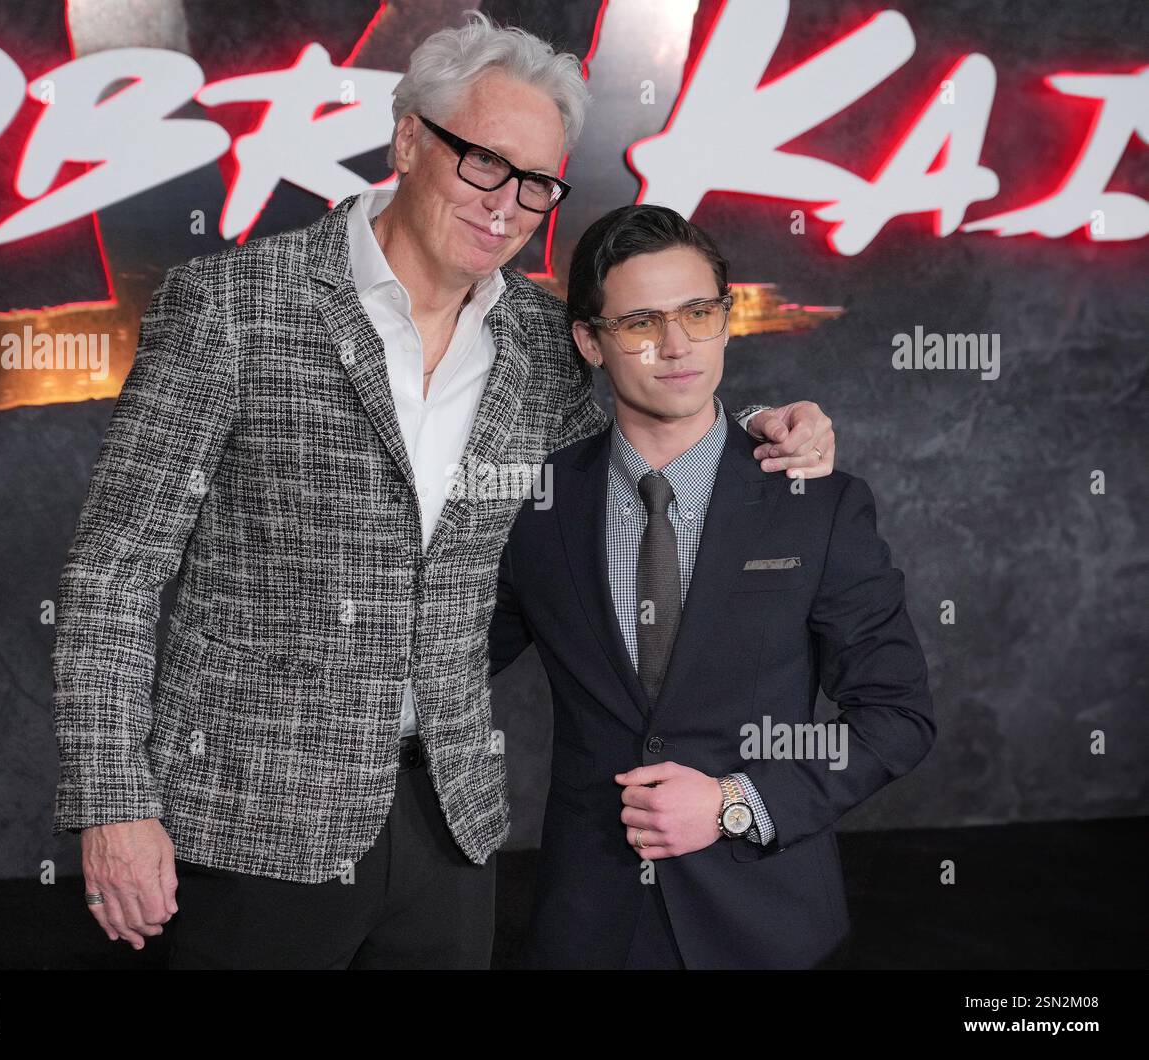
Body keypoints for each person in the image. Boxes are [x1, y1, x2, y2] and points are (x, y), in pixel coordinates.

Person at [51, 13, 837, 970]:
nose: (508, 204)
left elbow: (646, 440)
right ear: (410, 137)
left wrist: (765, 426)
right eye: (484, 163)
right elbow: (114, 575)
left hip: (450, 825)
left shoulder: (547, 347)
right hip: (248, 818)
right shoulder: (234, 306)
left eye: (538, 183)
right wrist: (112, 801)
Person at [489, 203, 935, 969]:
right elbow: (447, 658)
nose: (676, 345)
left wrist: (737, 803)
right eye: (640, 323)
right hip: (586, 923)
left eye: (698, 313)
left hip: (765, 921)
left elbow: (897, 717)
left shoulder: (816, 503)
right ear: (590, 342)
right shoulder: (534, 502)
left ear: (727, 320)